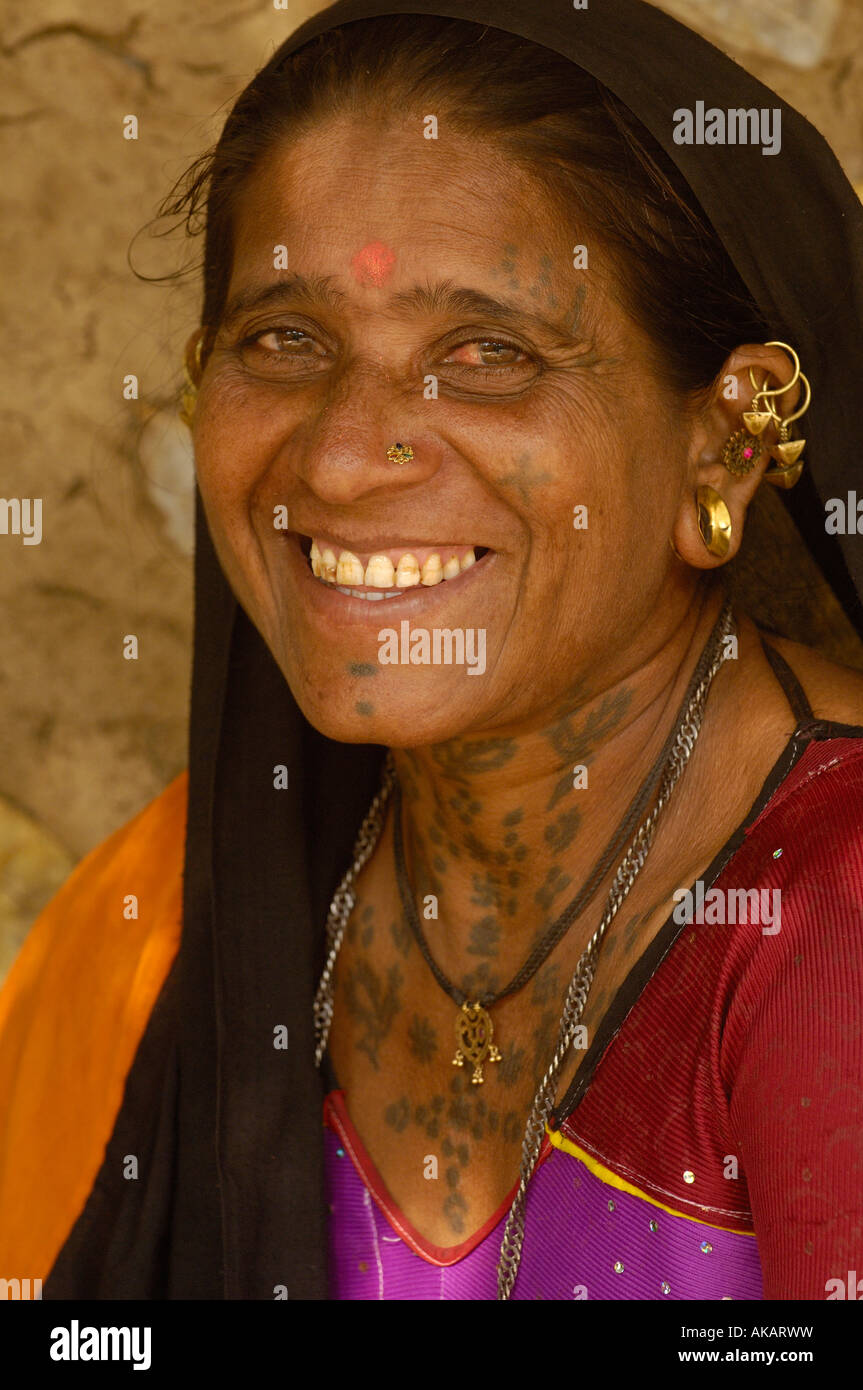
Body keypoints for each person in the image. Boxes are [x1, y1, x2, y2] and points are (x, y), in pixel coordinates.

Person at [1, 0, 862, 1301]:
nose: (346, 458)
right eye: (285, 340)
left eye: (487, 354)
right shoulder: (175, 913)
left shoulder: (829, 920)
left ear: (726, 444)